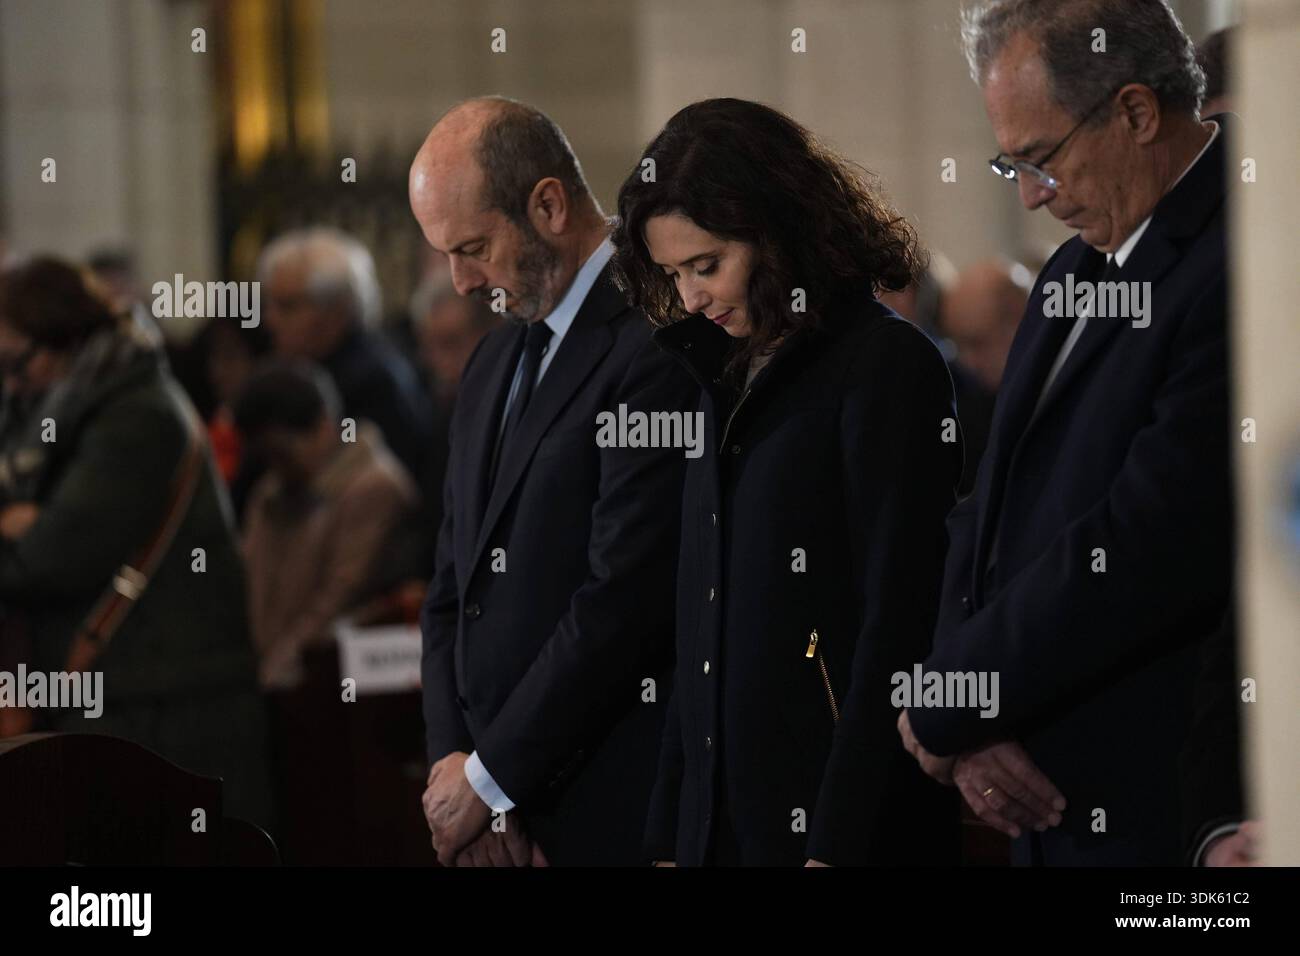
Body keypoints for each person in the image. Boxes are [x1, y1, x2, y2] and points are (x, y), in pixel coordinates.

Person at [897, 0, 1235, 866]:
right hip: (1037, 793)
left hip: (1163, 806)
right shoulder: (1073, 271)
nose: (1032, 198)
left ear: (1134, 111)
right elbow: (989, 510)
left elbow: (1150, 536)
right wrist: (962, 704)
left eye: (1042, 160)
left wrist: (955, 700)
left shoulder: (1240, 255)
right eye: (1010, 165)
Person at [611, 97, 963, 866]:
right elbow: (695, 622)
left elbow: (899, 624)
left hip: (836, 821)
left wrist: (839, 842)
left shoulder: (885, 366)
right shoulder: (717, 375)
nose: (692, 298)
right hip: (722, 827)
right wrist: (671, 833)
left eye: (707, 265)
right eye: (674, 274)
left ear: (782, 232)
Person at [408, 96, 697, 866]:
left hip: (607, 803)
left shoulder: (656, 340)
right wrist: (456, 768)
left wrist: (496, 778)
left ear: (547, 204)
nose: (460, 282)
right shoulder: (491, 363)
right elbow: (449, 588)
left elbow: (623, 598)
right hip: (494, 809)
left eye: (472, 247)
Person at [0, 257, 271, 826]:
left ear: (68, 340)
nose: (11, 386)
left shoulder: (136, 414)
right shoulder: (63, 405)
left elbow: (44, 561)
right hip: (124, 695)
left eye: (16, 364)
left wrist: (29, 524)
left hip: (168, 703)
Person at [234, 360, 422, 688]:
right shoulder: (271, 490)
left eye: (283, 452)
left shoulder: (375, 489)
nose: (278, 467)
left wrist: (267, 678)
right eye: (266, 456)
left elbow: (338, 599)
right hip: (267, 679)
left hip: (331, 688)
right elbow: (247, 584)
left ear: (324, 425)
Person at [258, 227, 433, 488]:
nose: (269, 320)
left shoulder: (373, 383)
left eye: (287, 306)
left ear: (336, 311)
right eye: (268, 304)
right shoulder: (302, 371)